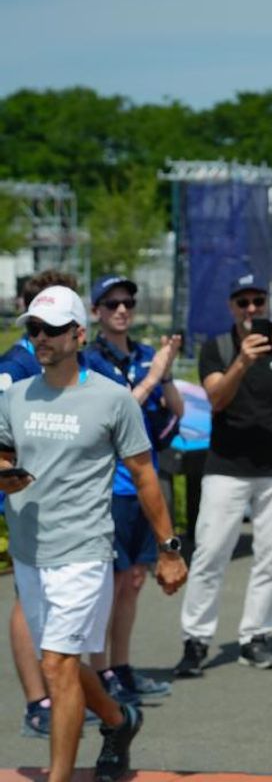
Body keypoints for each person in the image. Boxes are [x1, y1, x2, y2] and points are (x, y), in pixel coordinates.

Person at [0, 285, 188, 782]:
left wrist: (169, 550)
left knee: (58, 667)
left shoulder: (112, 399)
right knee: (55, 661)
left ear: (79, 335)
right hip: (29, 550)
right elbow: (2, 450)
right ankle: (118, 719)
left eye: (52, 329)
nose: (41, 338)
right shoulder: (16, 396)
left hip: (83, 551)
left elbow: (145, 476)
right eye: (34, 329)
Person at [174, 273, 272, 677]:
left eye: (258, 302)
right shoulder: (218, 348)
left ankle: (255, 637)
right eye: (243, 303)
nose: (251, 310)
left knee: (271, 558)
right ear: (231, 307)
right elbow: (216, 399)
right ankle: (195, 640)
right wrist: (242, 360)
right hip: (227, 468)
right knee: (210, 554)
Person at [82, 274, 183, 705]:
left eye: (128, 302)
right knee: (110, 582)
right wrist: (153, 376)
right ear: (96, 313)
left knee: (135, 579)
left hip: (145, 482)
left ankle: (121, 667)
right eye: (112, 304)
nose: (122, 310)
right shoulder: (90, 360)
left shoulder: (144, 355)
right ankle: (99, 671)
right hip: (111, 485)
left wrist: (166, 374)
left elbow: (177, 410)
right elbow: (115, 410)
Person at [0, 270, 80, 738]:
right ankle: (37, 701)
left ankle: (67, 691)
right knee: (26, 596)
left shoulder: (72, 358)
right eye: (39, 324)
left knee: (59, 602)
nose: (46, 332)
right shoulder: (16, 365)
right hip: (24, 496)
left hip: (66, 502)